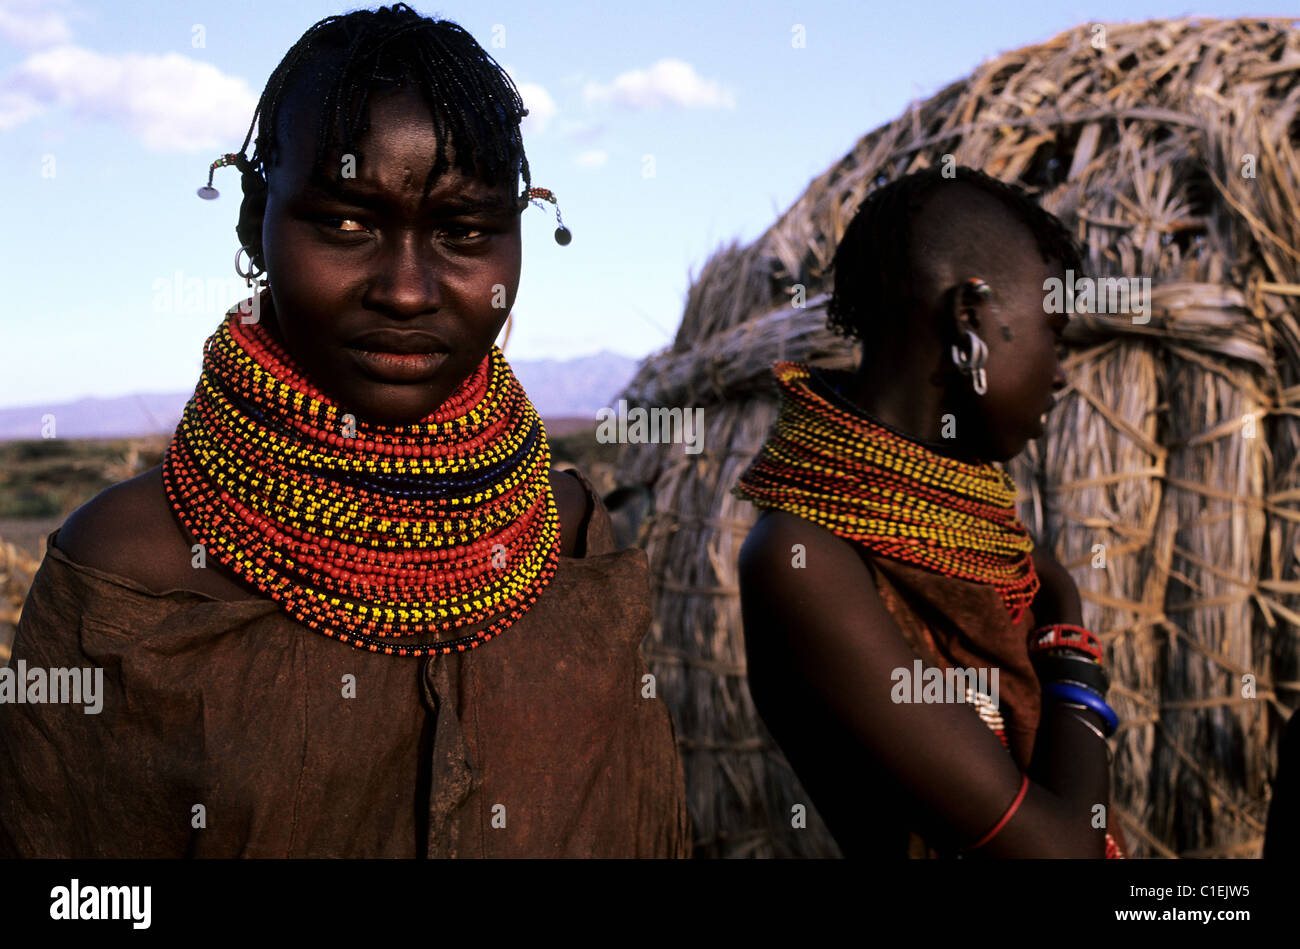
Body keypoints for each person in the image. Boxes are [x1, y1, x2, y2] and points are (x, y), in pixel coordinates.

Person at [0, 5, 689, 858]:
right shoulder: (129, 568)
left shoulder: (568, 535)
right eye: (346, 223)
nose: (406, 290)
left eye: (464, 231)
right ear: (255, 219)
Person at [734, 166, 1127, 858]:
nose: (1061, 371)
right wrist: (1067, 632)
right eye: (1053, 332)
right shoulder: (804, 560)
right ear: (970, 316)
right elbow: (1060, 851)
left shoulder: (980, 537)